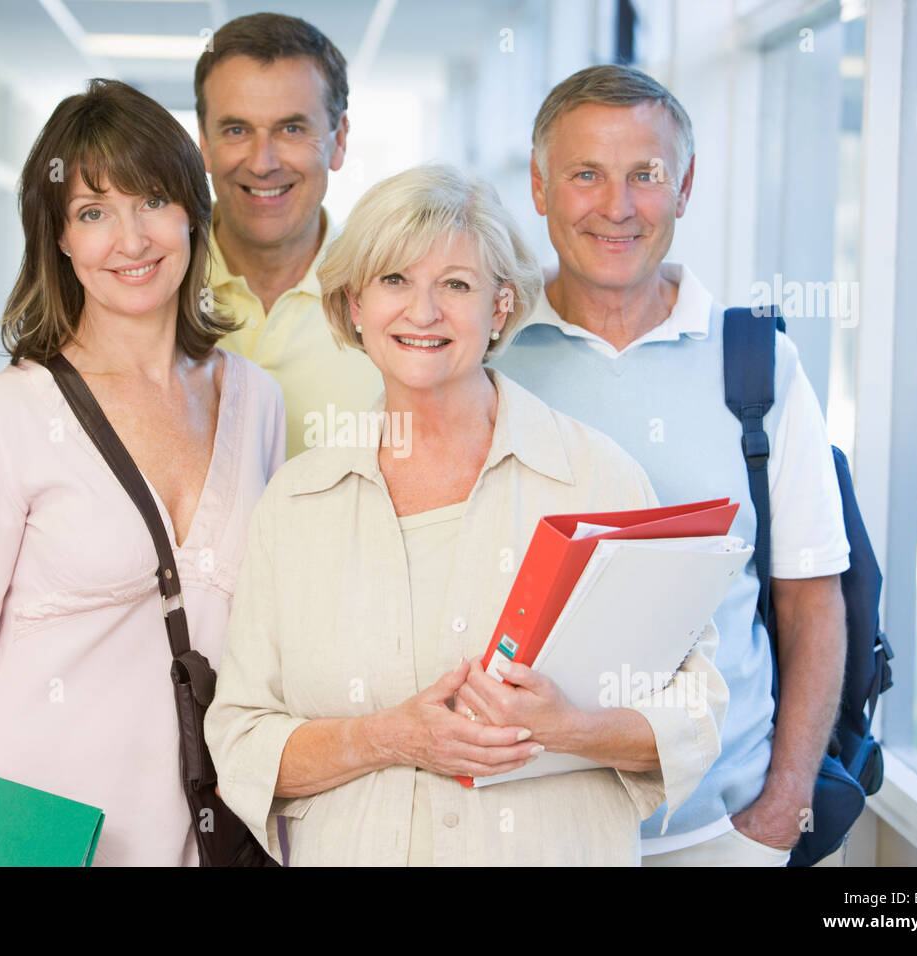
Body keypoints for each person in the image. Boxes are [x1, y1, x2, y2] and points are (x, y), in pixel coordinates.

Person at [204, 164, 727, 866]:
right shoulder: (295, 505)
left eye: (455, 284)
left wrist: (572, 727)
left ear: (501, 307)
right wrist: (389, 736)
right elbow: (241, 741)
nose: (423, 312)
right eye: (393, 281)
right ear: (354, 304)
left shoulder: (598, 480)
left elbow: (696, 711)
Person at [0, 79, 285, 866]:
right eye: (93, 213)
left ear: (193, 208)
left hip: (213, 833)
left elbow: (276, 643)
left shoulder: (256, 402)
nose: (131, 240)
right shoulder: (1, 424)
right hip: (50, 841)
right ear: (57, 238)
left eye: (152, 200)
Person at [489, 64, 850, 866]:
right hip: (527, 831)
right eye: (586, 174)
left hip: (721, 833)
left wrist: (782, 811)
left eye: (645, 175)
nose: (617, 207)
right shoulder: (488, 352)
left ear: (684, 187)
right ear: (542, 189)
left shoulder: (757, 363)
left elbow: (810, 599)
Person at [194, 12, 383, 459]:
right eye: (236, 129)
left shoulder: (398, 309)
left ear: (338, 141)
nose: (262, 163)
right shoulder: (146, 289)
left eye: (292, 129)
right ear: (203, 141)